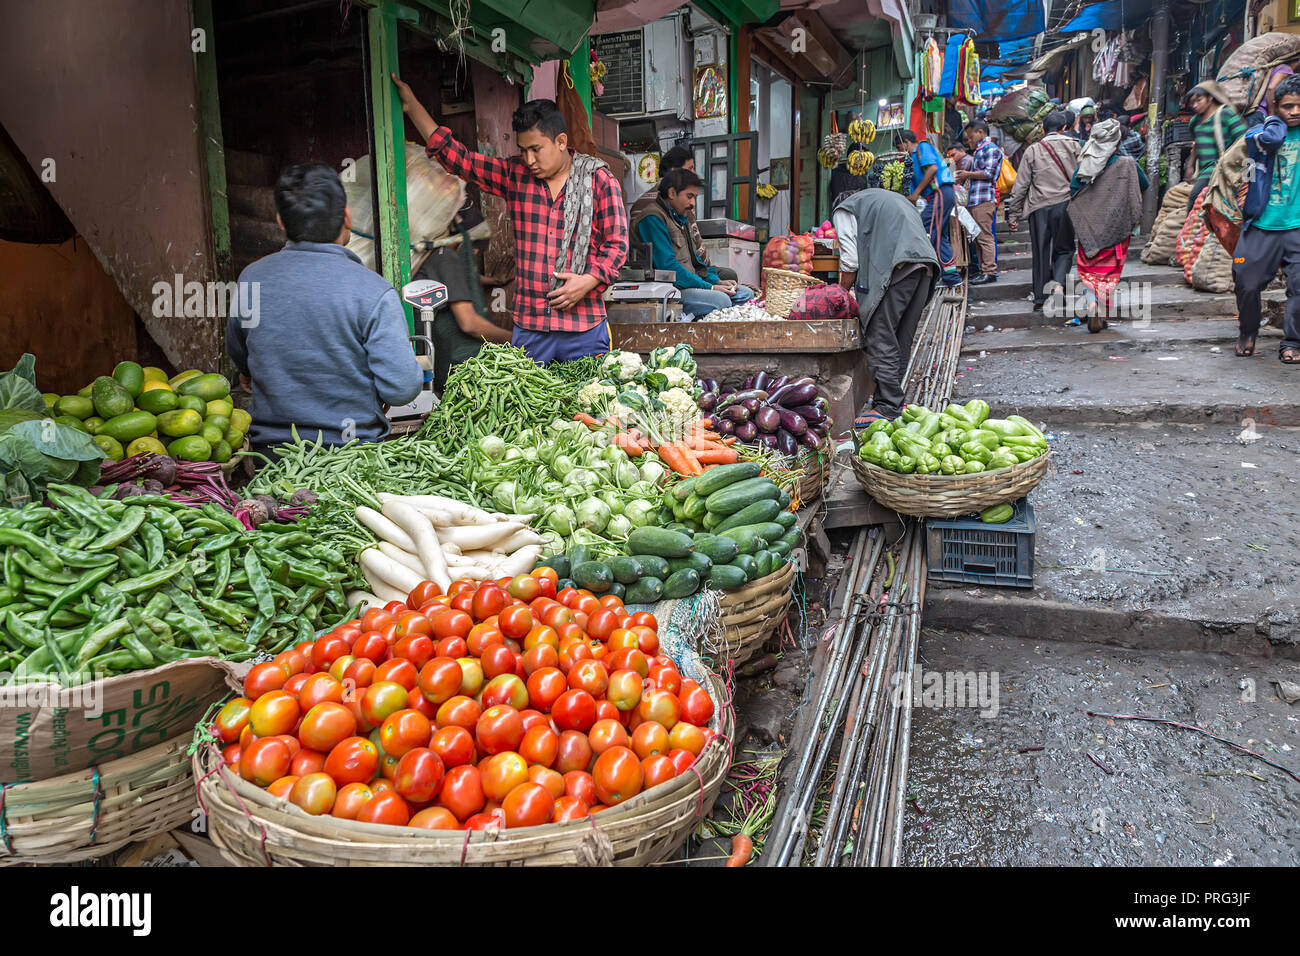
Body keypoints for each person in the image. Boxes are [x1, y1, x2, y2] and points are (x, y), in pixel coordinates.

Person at [392, 77, 628, 364]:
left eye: (536, 149)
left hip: (584, 327)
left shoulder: (599, 180)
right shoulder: (514, 175)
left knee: (589, 404)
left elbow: (616, 246)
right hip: (530, 329)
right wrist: (413, 106)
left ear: (561, 141)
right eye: (522, 149)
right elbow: (459, 160)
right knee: (531, 406)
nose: (528, 159)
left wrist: (588, 280)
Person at [226, 163, 423, 457]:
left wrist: (252, 372)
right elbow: (403, 388)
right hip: (353, 460)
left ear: (281, 221)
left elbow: (241, 355)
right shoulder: (374, 290)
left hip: (271, 456)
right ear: (347, 216)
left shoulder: (251, 279)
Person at [832, 188, 940, 424]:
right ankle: (891, 400)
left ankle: (888, 406)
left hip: (900, 267)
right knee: (901, 337)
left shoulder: (845, 208)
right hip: (925, 267)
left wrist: (839, 293)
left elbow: (850, 259)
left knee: (880, 333)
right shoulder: (886, 200)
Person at [1233, 74, 1300, 363]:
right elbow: (1269, 140)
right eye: (1288, 106)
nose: (1295, 112)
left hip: (1297, 226)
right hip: (1262, 224)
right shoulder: (1259, 134)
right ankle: (1248, 330)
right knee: (1245, 280)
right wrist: (1275, 120)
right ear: (1275, 105)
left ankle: (1292, 342)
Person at [411, 211, 513, 393]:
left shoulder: (433, 257)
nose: (474, 253)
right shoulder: (447, 258)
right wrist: (515, 340)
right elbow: (469, 323)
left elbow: (459, 280)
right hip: (451, 365)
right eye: (475, 247)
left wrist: (494, 281)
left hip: (427, 356)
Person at [632, 168, 752, 319]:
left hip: (689, 284)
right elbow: (669, 268)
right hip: (670, 291)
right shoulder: (652, 218)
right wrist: (711, 288)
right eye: (689, 196)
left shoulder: (682, 217)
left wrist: (716, 281)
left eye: (695, 197)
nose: (693, 203)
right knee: (722, 300)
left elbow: (697, 262)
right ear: (671, 193)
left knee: (746, 293)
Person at [1065, 118, 1148, 333]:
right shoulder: (1128, 163)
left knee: (1089, 270)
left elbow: (1074, 189)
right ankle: (1101, 310)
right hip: (1117, 228)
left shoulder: (1087, 163)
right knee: (1109, 273)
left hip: (1091, 228)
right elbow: (1145, 184)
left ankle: (1092, 303)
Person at [1005, 111, 1082, 311]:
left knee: (1040, 251)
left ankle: (1040, 298)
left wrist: (1013, 213)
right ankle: (1057, 285)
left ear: (1042, 129)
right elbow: (1083, 176)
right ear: (1065, 128)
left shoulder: (1032, 150)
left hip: (1039, 207)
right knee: (1064, 249)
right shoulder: (1075, 146)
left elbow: (1021, 184)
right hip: (1065, 204)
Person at [629, 145, 737, 282]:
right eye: (690, 168)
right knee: (723, 293)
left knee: (734, 284)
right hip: (674, 277)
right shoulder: (654, 211)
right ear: (675, 173)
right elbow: (667, 265)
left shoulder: (679, 205)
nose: (694, 173)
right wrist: (709, 286)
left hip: (690, 270)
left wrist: (711, 278)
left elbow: (694, 253)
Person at [897, 130, 961, 287]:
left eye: (900, 148)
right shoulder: (911, 160)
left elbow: (932, 169)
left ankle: (933, 275)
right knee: (940, 235)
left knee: (926, 231)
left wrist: (916, 193)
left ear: (906, 143)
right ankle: (951, 277)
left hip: (940, 193)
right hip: (939, 196)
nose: (900, 152)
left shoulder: (922, 147)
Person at [1186, 81, 1247, 212]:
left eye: (1199, 100)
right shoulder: (1194, 122)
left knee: (1194, 198)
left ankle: (1190, 231)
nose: (1195, 105)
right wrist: (1190, 165)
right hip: (1204, 170)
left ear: (1210, 98)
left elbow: (1243, 139)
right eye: (1192, 103)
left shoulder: (1225, 114)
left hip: (1222, 166)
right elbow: (1196, 143)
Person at [957, 120, 1004, 284]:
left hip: (984, 199)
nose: (970, 139)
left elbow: (989, 173)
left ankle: (990, 271)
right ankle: (984, 270)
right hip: (976, 199)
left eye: (971, 136)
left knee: (984, 236)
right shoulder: (980, 150)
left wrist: (967, 175)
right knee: (977, 235)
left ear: (981, 132)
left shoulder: (991, 149)